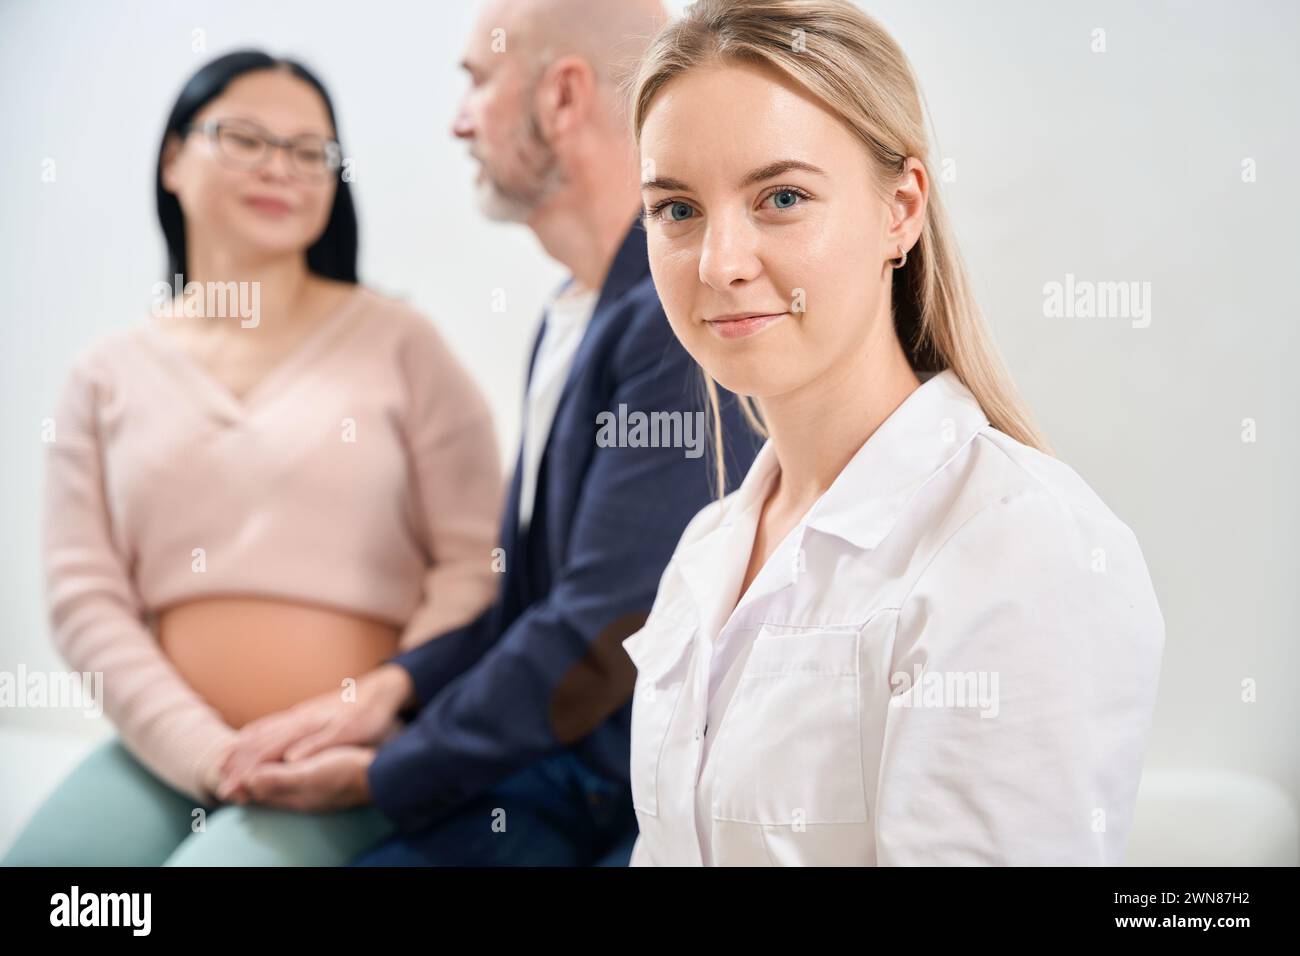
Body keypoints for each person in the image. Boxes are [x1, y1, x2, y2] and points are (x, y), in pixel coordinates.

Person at [212, 0, 762, 866]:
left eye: (476, 81)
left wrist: (388, 771)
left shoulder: (675, 321)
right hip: (541, 774)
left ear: (562, 97)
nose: (458, 120)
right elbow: (536, 605)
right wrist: (396, 688)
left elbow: (601, 631)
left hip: (608, 801)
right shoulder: (567, 317)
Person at [622, 0, 1165, 865]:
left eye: (783, 197)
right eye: (677, 210)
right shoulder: (707, 549)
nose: (721, 261)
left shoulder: (1016, 546)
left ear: (900, 209)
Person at [2, 51, 502, 866]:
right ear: (172, 159)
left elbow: (475, 565)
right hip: (164, 758)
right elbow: (83, 598)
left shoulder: (403, 345)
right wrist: (205, 752)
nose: (281, 168)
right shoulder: (105, 373)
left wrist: (378, 716)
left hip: (349, 763)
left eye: (310, 151)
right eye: (245, 138)